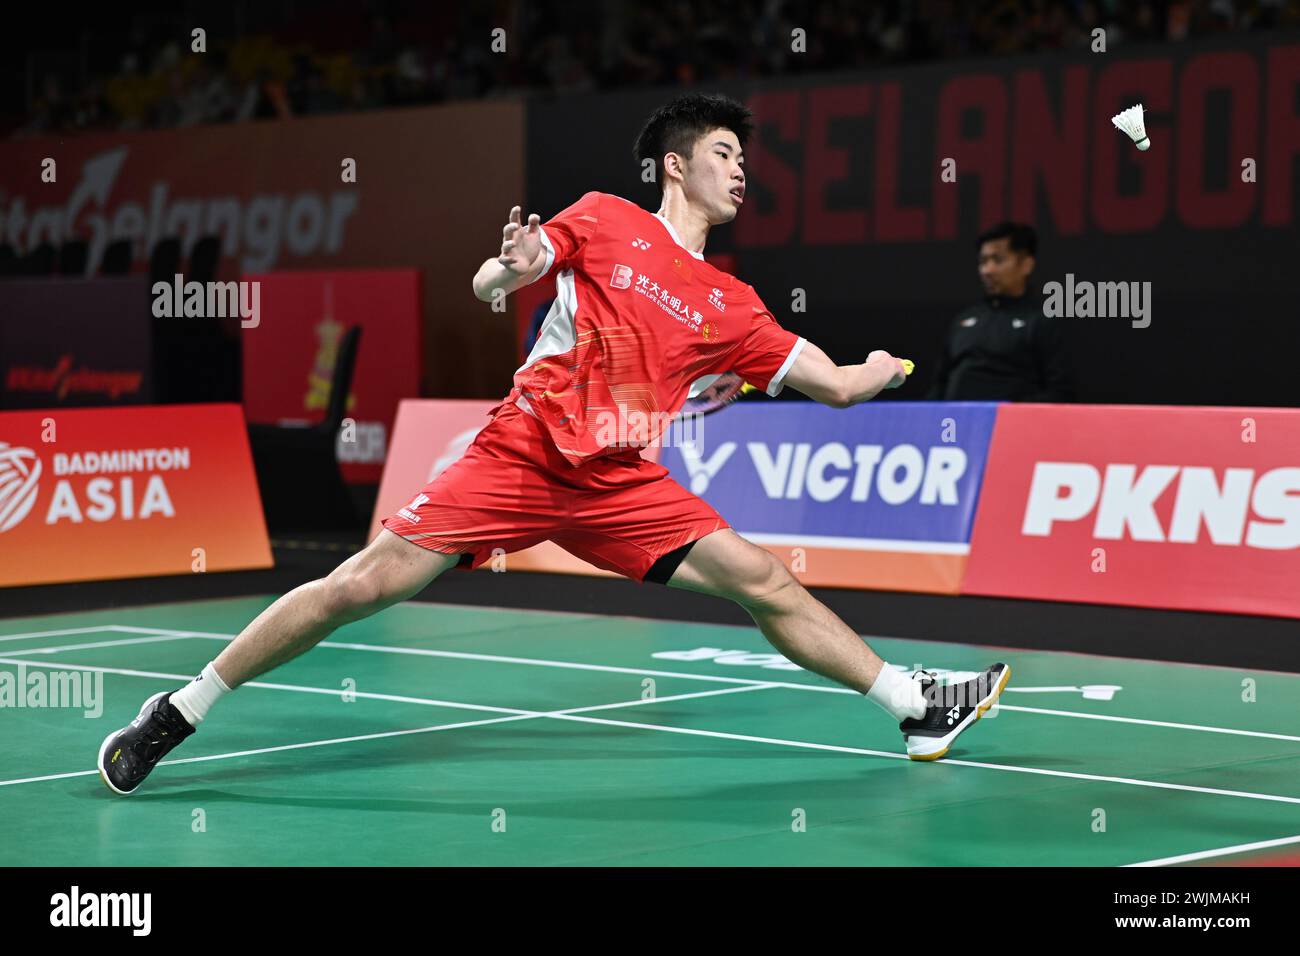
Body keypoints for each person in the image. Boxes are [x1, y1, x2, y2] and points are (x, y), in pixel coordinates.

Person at [98, 93, 1010, 795]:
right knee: (357, 588)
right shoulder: (607, 218)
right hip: (523, 450)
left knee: (761, 577)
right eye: (725, 155)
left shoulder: (736, 306)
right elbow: (506, 269)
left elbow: (836, 387)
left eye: (743, 160)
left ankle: (914, 707)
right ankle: (179, 710)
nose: (741, 173)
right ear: (673, 164)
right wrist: (513, 265)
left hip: (616, 480)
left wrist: (882, 368)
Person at [927, 222, 1075, 401]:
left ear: (1026, 265)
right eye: (983, 261)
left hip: (1012, 425)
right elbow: (939, 385)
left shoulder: (1042, 322)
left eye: (998, 260)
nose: (987, 270)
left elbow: (1059, 393)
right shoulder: (964, 321)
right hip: (956, 425)